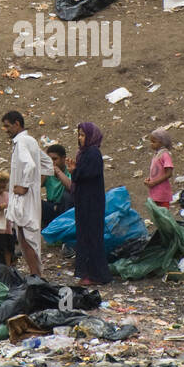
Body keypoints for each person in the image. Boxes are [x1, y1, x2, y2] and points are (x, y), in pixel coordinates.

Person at [2, 110, 51, 277]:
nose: (6, 130)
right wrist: (38, 183)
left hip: (24, 197)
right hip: (30, 196)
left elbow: (30, 165)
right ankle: (35, 275)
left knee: (26, 237)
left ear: (17, 124)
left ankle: (35, 275)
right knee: (27, 235)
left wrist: (24, 186)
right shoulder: (29, 141)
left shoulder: (22, 141)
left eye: (8, 126)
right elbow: (47, 163)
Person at [72, 122, 111, 286]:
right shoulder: (84, 153)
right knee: (85, 236)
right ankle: (89, 272)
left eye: (83, 135)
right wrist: (73, 170)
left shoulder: (93, 153)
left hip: (91, 203)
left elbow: (87, 174)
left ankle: (95, 274)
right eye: (79, 135)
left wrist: (75, 170)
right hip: (85, 201)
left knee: (91, 237)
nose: (80, 138)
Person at [41, 143, 74, 224]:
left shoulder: (69, 171)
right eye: (49, 159)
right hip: (51, 206)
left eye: (55, 159)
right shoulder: (48, 173)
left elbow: (71, 187)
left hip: (65, 208)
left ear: (63, 159)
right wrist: (44, 171)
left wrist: (57, 171)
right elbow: (36, 186)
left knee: (67, 195)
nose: (52, 162)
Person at [144, 129, 175, 210]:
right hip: (155, 191)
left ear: (161, 143)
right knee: (157, 215)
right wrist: (149, 180)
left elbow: (169, 173)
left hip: (162, 192)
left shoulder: (165, 155)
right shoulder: (157, 155)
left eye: (153, 142)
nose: (151, 144)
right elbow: (157, 171)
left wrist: (154, 182)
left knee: (163, 215)